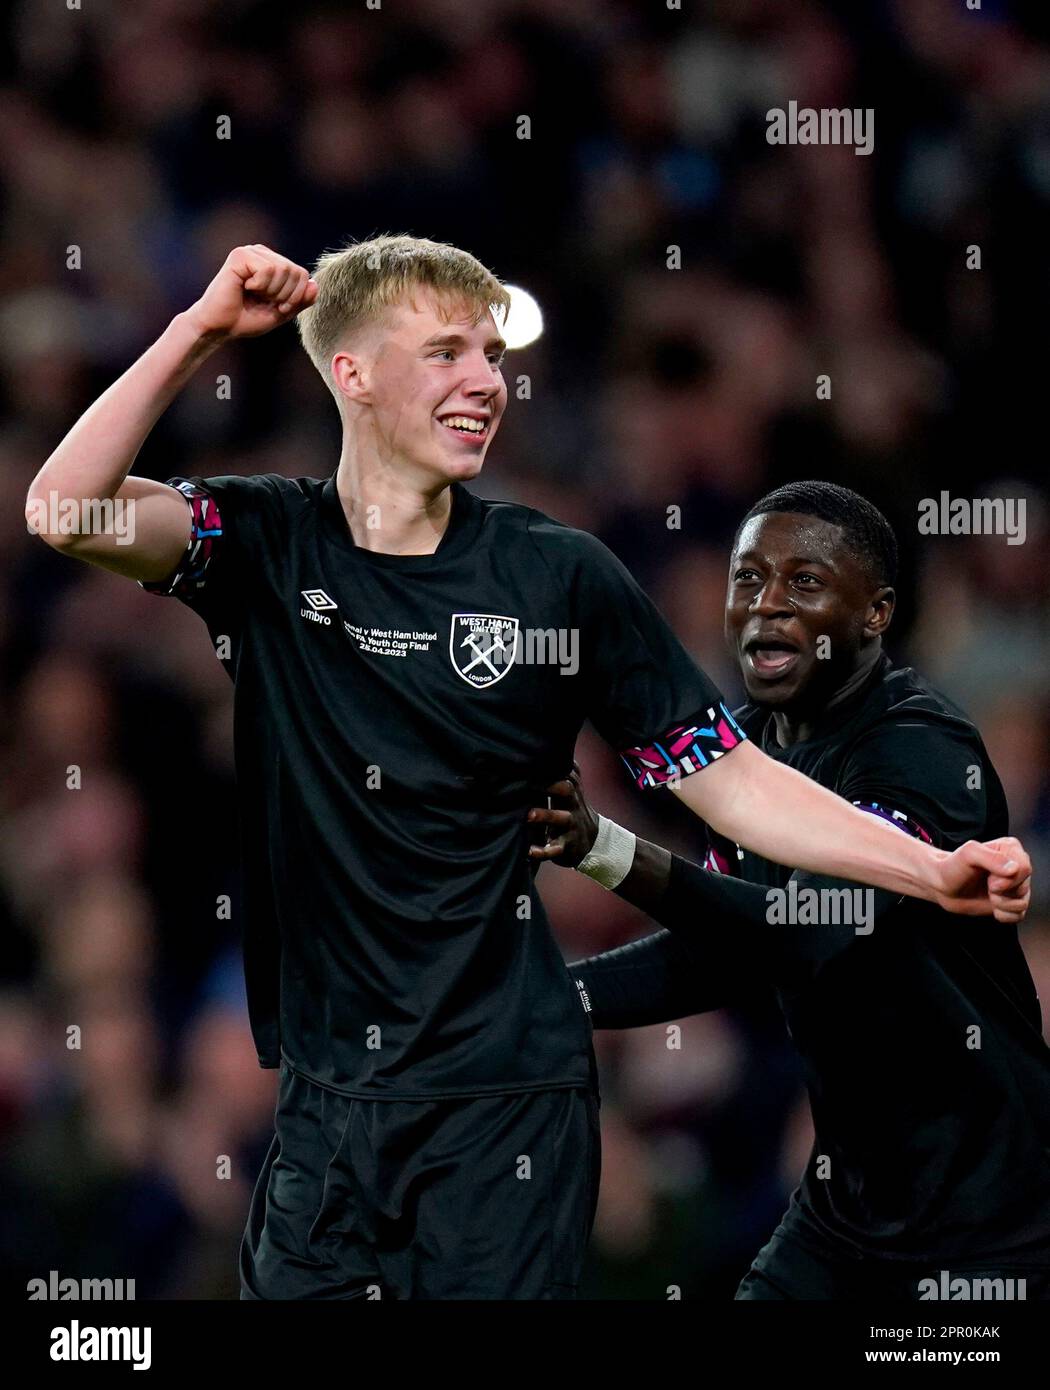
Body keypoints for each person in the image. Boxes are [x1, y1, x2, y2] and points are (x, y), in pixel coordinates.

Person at [26, 242, 1029, 1300]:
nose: (485, 382)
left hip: (504, 1107)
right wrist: (199, 331)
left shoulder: (561, 576)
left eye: (493, 356)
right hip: (324, 1105)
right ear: (352, 373)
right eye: (447, 351)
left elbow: (729, 780)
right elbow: (63, 511)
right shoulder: (269, 543)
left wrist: (931, 869)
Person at [529, 482, 1050, 1300]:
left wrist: (610, 852)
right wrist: (544, 997)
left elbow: (806, 932)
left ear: (875, 614)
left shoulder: (922, 750)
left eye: (804, 583)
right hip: (845, 1217)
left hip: (995, 1229)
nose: (766, 606)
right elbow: (725, 956)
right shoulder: (749, 758)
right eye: (748, 579)